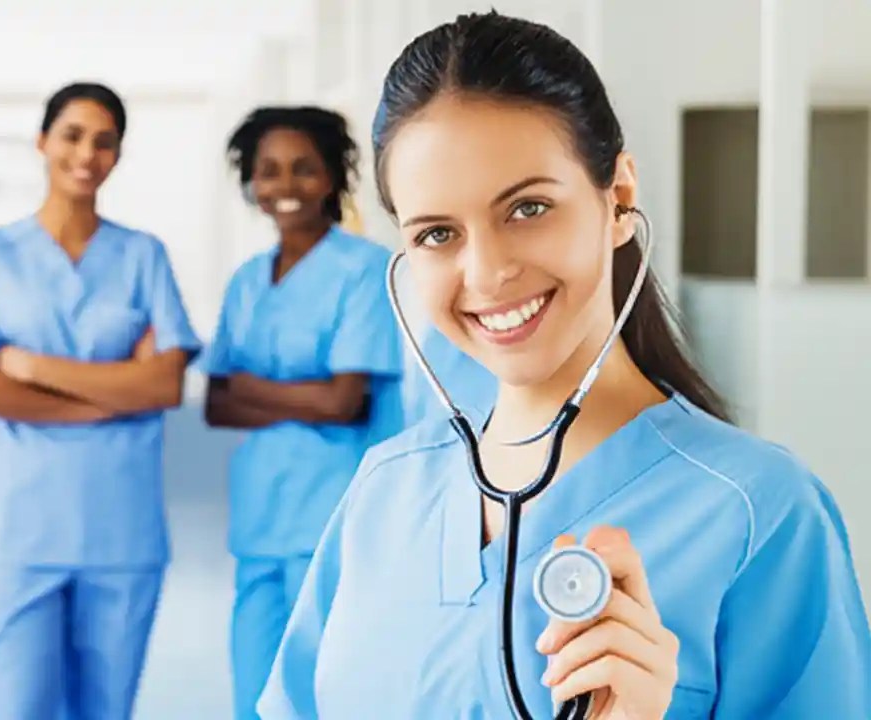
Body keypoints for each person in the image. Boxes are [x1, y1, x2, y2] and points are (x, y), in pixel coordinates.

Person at [259, 12, 871, 719]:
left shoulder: (759, 513)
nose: (486, 273)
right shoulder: (385, 490)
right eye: (436, 233)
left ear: (619, 199)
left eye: (528, 208)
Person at [0, 81, 202, 720]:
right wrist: (112, 393)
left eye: (104, 141)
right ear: (42, 141)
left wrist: (28, 366)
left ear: (118, 156)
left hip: (120, 533)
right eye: (73, 135)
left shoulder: (142, 255)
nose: (87, 153)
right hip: (14, 536)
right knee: (19, 707)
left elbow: (163, 385)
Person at [203, 106, 403, 720]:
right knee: (254, 698)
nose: (284, 186)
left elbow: (344, 401)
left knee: (325, 696)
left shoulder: (365, 270)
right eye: (268, 171)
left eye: (302, 169)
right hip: (260, 522)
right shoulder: (245, 281)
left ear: (331, 179)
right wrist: (302, 393)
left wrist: (252, 386)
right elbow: (215, 404)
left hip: (333, 515)